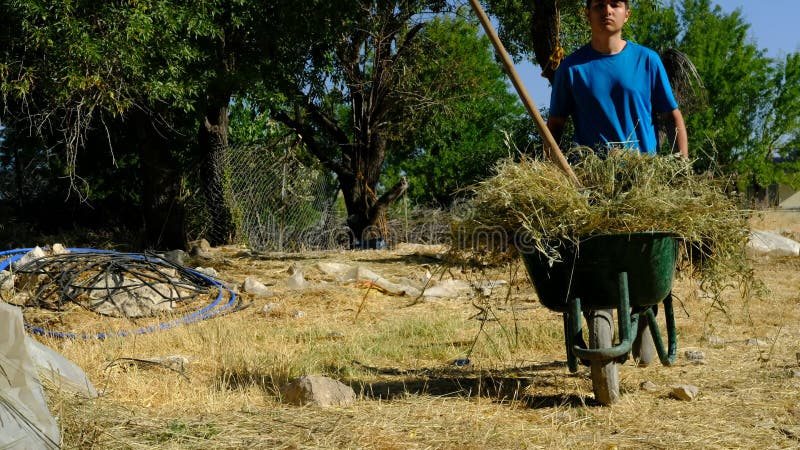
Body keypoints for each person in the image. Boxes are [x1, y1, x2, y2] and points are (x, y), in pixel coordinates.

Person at [546, 0, 688, 159]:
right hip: (588, 172)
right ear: (587, 15)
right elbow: (555, 124)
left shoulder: (647, 60)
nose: (607, 11)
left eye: (614, 4)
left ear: (627, 14)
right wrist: (551, 168)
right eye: (599, 6)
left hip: (643, 170)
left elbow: (671, 116)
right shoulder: (570, 68)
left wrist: (682, 164)